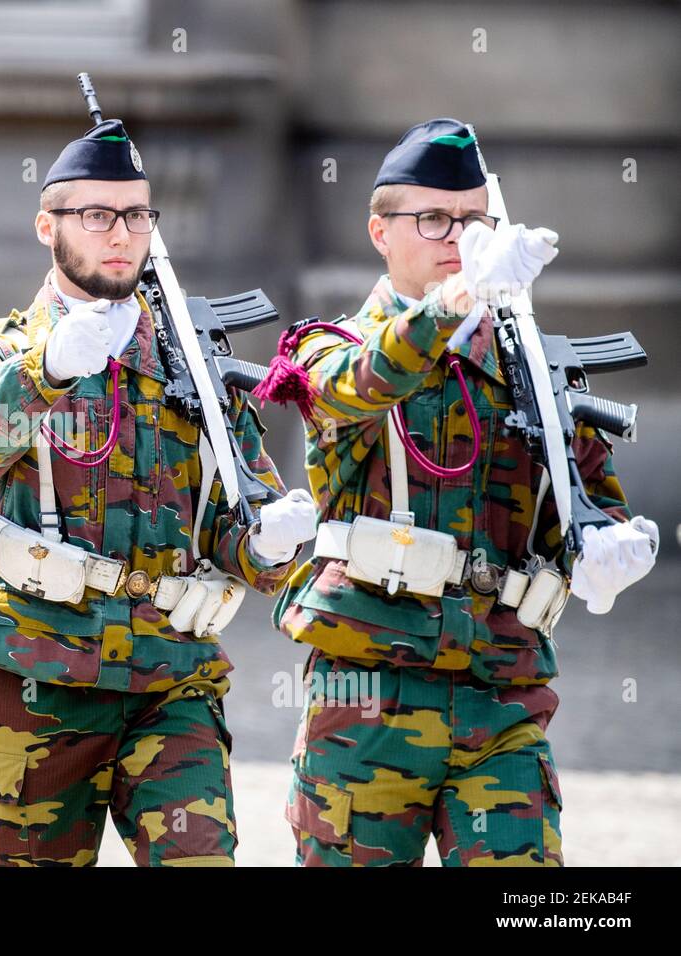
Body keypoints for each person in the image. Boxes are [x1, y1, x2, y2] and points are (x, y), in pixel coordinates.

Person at [0, 119, 318, 866]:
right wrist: (50, 370)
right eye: (97, 215)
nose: (121, 233)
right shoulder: (7, 352)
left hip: (172, 677)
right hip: (40, 674)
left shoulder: (191, 364)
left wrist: (266, 543)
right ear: (48, 226)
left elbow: (240, 528)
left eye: (137, 214)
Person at [259, 119, 659, 866]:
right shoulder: (331, 348)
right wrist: (453, 304)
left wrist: (608, 541)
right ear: (379, 231)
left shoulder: (530, 367)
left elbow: (587, 489)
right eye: (434, 219)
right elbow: (352, 391)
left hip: (501, 689)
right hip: (368, 691)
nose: (458, 236)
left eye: (475, 220)